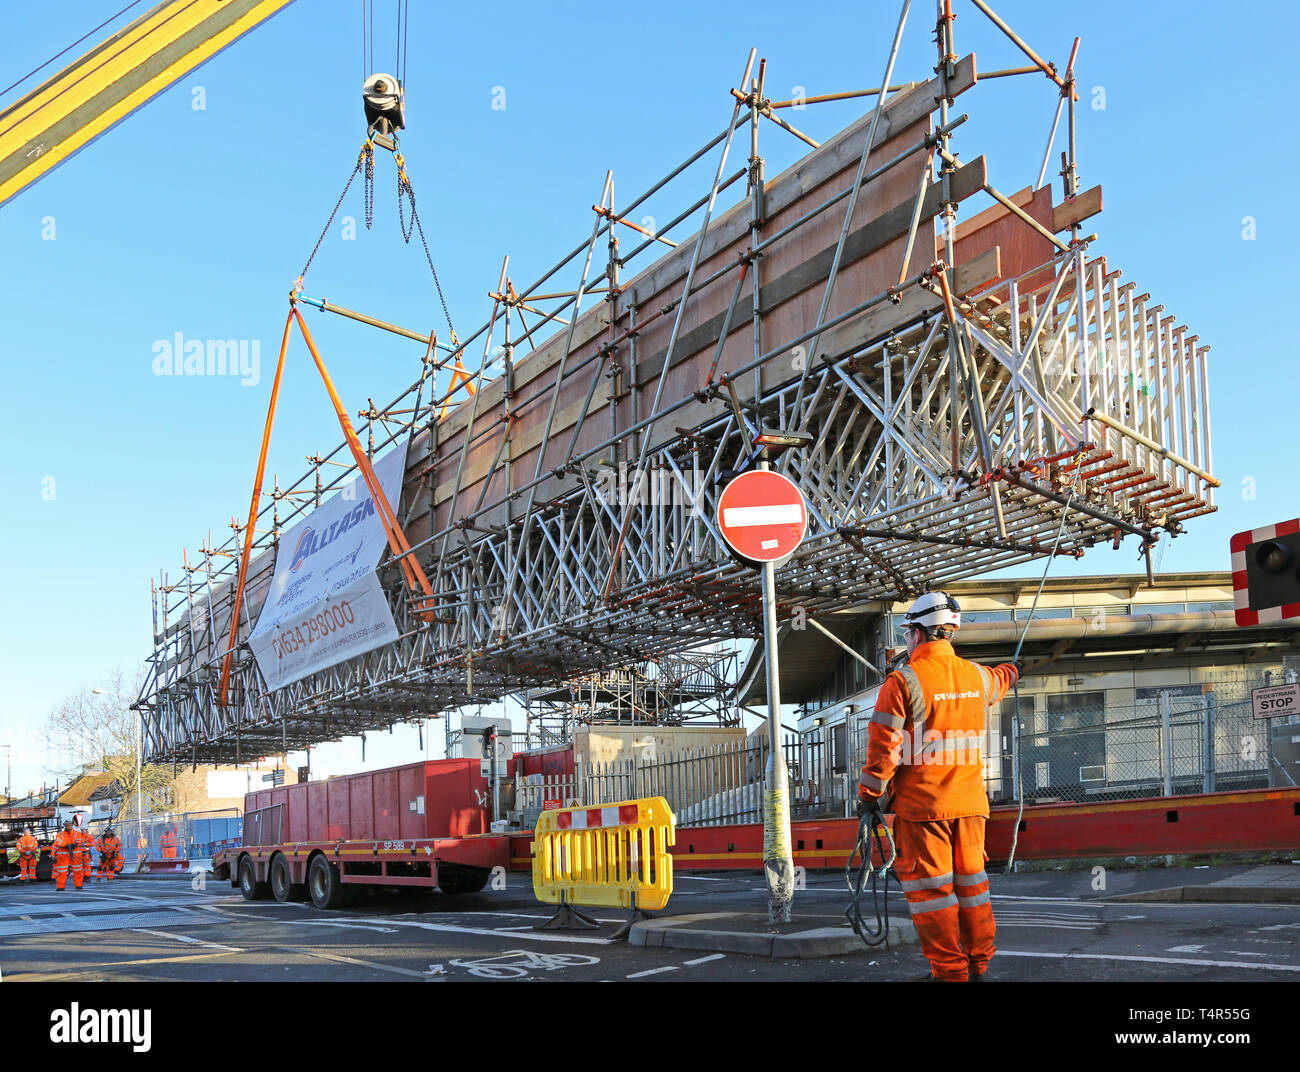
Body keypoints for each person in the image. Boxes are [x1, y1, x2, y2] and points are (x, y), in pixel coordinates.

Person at [858, 591, 1018, 982]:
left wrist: (870, 798)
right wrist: (1013, 670)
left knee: (934, 896)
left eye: (907, 632)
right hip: (970, 807)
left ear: (918, 633)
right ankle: (978, 966)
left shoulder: (902, 682)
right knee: (973, 890)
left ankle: (949, 974)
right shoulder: (978, 677)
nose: (906, 640)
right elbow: (1001, 680)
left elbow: (884, 751)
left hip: (922, 811)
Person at [52, 820, 81, 891]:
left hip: (75, 855)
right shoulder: (60, 834)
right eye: (67, 825)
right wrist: (66, 845)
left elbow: (79, 841)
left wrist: (74, 844)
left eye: (69, 825)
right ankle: (60, 887)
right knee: (62, 872)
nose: (68, 826)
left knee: (77, 871)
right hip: (63, 856)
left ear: (72, 825)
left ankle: (79, 885)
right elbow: (58, 842)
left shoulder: (77, 833)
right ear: (64, 826)